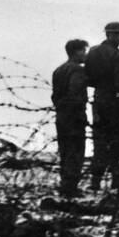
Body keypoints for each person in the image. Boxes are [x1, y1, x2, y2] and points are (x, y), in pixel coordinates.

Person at [83, 21, 119, 193]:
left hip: (99, 99)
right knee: (118, 142)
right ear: (111, 35)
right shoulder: (118, 54)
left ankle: (95, 181)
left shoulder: (93, 51)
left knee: (99, 141)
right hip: (116, 103)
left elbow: (88, 78)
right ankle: (117, 181)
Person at [52, 39, 88, 198]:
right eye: (83, 51)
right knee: (76, 150)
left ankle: (65, 183)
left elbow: (55, 95)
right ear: (77, 52)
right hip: (74, 115)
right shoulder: (78, 70)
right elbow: (75, 92)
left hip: (61, 114)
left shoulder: (58, 70)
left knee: (65, 149)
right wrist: (79, 110)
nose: (85, 55)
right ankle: (71, 187)